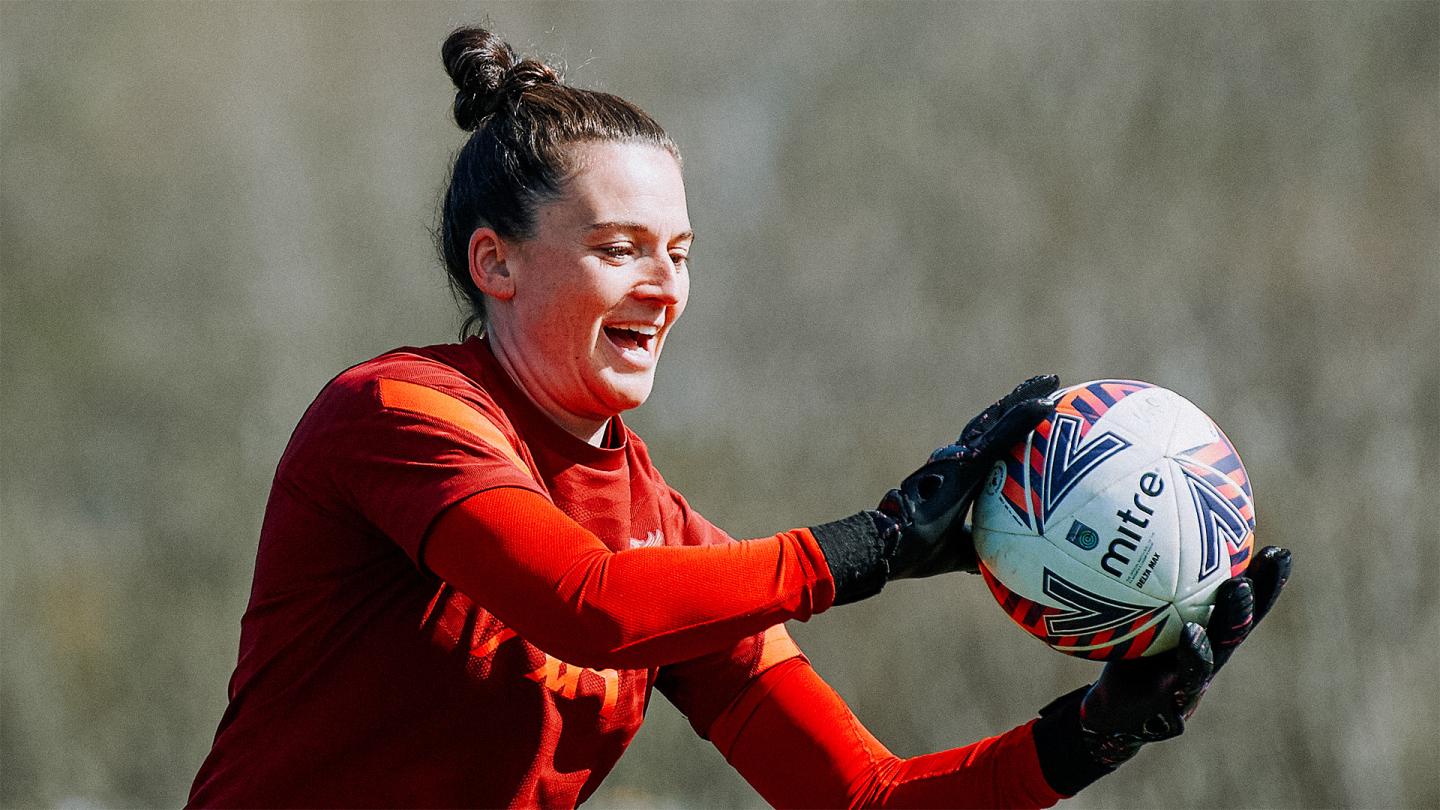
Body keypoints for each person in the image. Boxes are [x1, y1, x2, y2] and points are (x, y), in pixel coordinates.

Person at [188, 27, 1291, 809]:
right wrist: (880, 542)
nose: (663, 287)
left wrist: (1093, 733)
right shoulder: (395, 413)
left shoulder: (662, 531)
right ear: (497, 263)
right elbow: (587, 606)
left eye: (679, 254)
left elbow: (866, 798)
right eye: (619, 248)